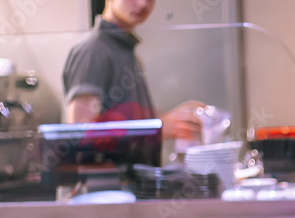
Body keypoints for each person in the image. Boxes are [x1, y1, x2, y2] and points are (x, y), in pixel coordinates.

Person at [63, 0, 203, 141]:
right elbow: (81, 132)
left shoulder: (124, 49)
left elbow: (125, 118)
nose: (143, 4)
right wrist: (156, 128)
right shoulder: (92, 52)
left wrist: (173, 120)